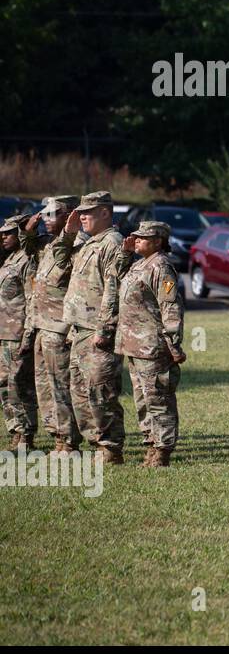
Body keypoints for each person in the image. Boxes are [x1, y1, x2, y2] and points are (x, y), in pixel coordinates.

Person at [62, 191, 126, 463]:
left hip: (98, 331)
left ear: (105, 213)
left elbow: (113, 291)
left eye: (89, 211)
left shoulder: (112, 243)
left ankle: (110, 448)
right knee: (79, 392)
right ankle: (96, 444)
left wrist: (105, 330)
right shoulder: (89, 243)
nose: (82, 216)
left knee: (101, 390)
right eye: (81, 211)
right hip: (79, 329)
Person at [117, 222, 186, 465]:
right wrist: (125, 253)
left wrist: (173, 344)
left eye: (142, 237)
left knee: (158, 399)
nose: (135, 240)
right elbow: (114, 277)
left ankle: (163, 451)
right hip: (134, 346)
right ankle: (150, 445)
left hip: (153, 346)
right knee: (143, 400)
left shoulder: (162, 267)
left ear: (158, 241)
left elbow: (170, 307)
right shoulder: (138, 264)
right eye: (135, 236)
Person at [20, 198, 79, 449]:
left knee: (61, 388)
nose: (45, 218)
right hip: (41, 326)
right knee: (44, 387)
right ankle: (56, 435)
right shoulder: (46, 244)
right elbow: (27, 247)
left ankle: (68, 440)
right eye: (44, 213)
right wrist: (28, 230)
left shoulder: (76, 246)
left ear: (68, 216)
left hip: (59, 328)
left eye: (52, 214)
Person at [0, 217, 37, 450]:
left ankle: (25, 434)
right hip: (3, 332)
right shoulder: (8, 260)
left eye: (9, 233)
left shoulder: (27, 261)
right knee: (4, 384)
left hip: (18, 332)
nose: (3, 237)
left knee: (19, 385)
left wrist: (28, 334)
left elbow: (33, 299)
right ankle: (14, 428)